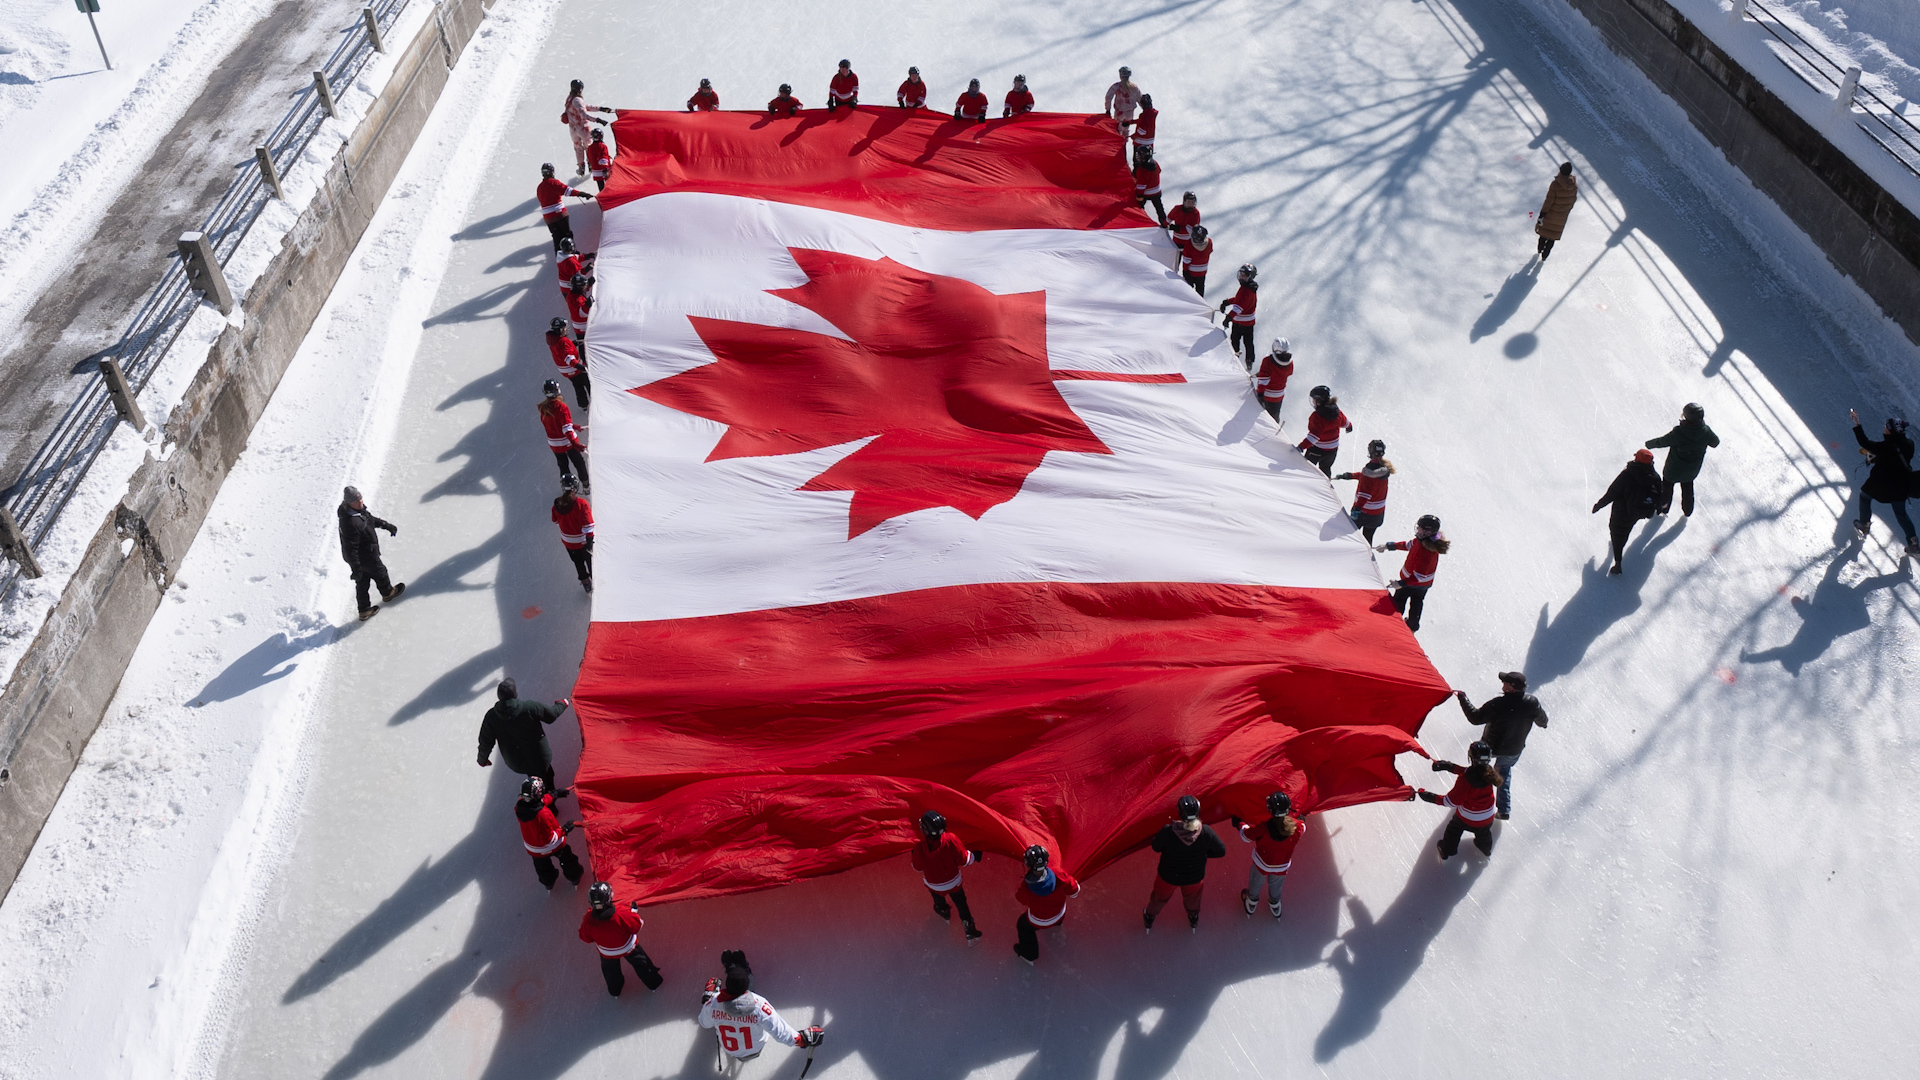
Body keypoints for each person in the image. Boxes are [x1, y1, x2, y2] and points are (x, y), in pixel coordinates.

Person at [1455, 672, 1548, 821]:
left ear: (1511, 687)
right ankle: (1504, 810)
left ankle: (1471, 797)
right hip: (1513, 750)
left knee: (1479, 769)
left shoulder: (1498, 704)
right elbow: (1543, 721)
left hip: (1490, 748)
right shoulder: (1532, 703)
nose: (1502, 683)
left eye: (1505, 682)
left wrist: (1463, 699)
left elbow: (1475, 718)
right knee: (1503, 772)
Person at [699, 950, 824, 1060]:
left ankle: (732, 969)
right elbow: (781, 1032)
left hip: (731, 1050)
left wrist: (709, 998)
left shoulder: (714, 1004)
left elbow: (704, 1023)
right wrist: (803, 1040)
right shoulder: (759, 1005)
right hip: (755, 1049)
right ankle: (745, 971)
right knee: (749, 991)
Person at [1142, 795, 1226, 933]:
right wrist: (1203, 854)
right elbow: (1221, 851)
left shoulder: (1168, 831)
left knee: (1159, 897)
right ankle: (1193, 917)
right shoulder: (1206, 832)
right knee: (1193, 899)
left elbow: (1156, 847)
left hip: (1168, 876)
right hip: (1194, 877)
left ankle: (1149, 916)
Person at [478, 678, 569, 790]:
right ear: (515, 693)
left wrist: (482, 759)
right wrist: (562, 704)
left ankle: (535, 788)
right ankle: (549, 796)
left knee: (532, 773)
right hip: (539, 757)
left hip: (517, 762)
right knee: (547, 777)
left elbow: (485, 741)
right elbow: (551, 715)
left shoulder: (491, 717)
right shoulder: (529, 708)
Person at [1416, 741, 1502, 858]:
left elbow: (1450, 801)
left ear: (1471, 757)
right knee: (1483, 832)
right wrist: (1448, 766)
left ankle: (1447, 850)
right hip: (1487, 818)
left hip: (1468, 818)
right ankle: (1485, 848)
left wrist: (1430, 797)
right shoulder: (1489, 773)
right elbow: (1469, 771)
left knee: (1454, 829)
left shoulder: (1466, 780)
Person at [909, 810, 983, 943]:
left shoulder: (919, 848)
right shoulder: (951, 839)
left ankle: (943, 910)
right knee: (961, 902)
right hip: (954, 882)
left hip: (933, 884)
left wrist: (914, 854)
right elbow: (963, 860)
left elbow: (917, 868)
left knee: (938, 897)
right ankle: (968, 926)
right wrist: (975, 856)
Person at [1849, 409, 1916, 553]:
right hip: (1901, 486)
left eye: (1887, 427)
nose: (1884, 428)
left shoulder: (1884, 447)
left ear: (1892, 431)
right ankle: (1914, 543)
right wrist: (1877, 457)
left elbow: (1864, 442)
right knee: (1901, 514)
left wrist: (1857, 424)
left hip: (1882, 485)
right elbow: (1893, 459)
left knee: (1864, 497)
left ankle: (1863, 524)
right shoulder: (1910, 444)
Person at [579, 881, 663, 996]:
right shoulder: (621, 913)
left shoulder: (588, 920)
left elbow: (586, 938)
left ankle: (615, 991)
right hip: (627, 947)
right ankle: (653, 983)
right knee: (642, 963)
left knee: (610, 972)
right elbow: (636, 926)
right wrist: (633, 912)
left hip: (607, 952)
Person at [337, 486, 403, 621]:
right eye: (356, 501)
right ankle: (388, 592)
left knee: (362, 583)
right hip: (366, 556)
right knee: (381, 573)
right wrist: (356, 568)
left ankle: (364, 610)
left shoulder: (357, 513)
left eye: (360, 498)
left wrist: (386, 525)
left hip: (363, 558)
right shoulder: (351, 522)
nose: (360, 502)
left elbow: (371, 520)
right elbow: (350, 548)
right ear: (348, 503)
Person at [1234, 791, 1304, 918]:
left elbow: (1246, 836)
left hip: (1261, 864)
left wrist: (1239, 824)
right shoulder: (1296, 827)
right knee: (1276, 885)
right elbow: (1303, 826)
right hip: (1281, 866)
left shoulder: (1263, 828)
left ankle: (1251, 902)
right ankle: (1275, 904)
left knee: (1256, 882)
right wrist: (1301, 818)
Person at [1592, 449, 1662, 574]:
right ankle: (1618, 545)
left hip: (1622, 511)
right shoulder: (1654, 477)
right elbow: (1659, 495)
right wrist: (1658, 508)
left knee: (1616, 531)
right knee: (1626, 529)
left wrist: (1599, 505)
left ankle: (1618, 563)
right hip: (1638, 512)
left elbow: (1613, 492)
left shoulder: (1627, 475)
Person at [1645, 402, 1720, 517]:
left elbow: (1662, 441)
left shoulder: (1679, 432)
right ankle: (1688, 511)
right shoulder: (1706, 431)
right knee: (1687, 488)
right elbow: (1715, 442)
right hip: (1692, 470)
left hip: (1673, 470)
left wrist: (1649, 444)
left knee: (1667, 488)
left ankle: (1664, 509)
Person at [1376, 514, 1448, 632]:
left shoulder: (1427, 553)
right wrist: (1389, 546)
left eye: (1420, 528)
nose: (1417, 529)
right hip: (1422, 584)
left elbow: (1420, 576)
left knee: (1399, 601)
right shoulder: (1423, 541)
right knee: (1417, 603)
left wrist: (1401, 584)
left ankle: (1394, 624)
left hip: (1412, 582)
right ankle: (1412, 626)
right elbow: (1407, 545)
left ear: (1427, 532)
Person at [1012, 844, 1078, 965]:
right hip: (1059, 914)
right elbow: (1074, 890)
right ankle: (1057, 924)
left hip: (1040, 921)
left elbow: (1021, 900)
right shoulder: (1059, 874)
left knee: (1022, 925)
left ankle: (1028, 955)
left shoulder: (1026, 886)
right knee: (1056, 913)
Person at [515, 776, 583, 890]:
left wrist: (554, 795)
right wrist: (565, 829)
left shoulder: (519, 806)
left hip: (533, 849)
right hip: (553, 845)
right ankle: (574, 876)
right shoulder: (543, 814)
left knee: (543, 868)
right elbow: (550, 839)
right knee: (567, 859)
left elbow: (537, 803)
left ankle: (548, 882)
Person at [1336, 439, 1393, 542]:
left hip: (1363, 513)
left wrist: (1356, 508)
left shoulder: (1369, 470)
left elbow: (1365, 494)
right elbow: (1366, 478)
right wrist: (1350, 476)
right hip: (1377, 514)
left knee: (1348, 538)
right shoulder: (1384, 469)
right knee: (1367, 540)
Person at [539, 380, 590, 489]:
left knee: (563, 465)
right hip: (567, 442)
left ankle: (567, 488)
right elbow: (566, 428)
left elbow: (555, 424)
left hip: (554, 444)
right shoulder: (561, 407)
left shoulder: (543, 408)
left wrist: (574, 426)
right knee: (578, 462)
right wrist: (575, 443)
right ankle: (586, 485)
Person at [536, 163, 594, 251]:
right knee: (567, 235)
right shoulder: (554, 183)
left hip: (548, 218)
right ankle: (572, 254)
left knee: (556, 237)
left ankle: (559, 257)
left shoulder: (539, 187)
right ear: (552, 172)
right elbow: (568, 191)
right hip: (559, 214)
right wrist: (583, 194)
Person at [562, 79, 615, 176]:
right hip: (583, 128)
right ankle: (591, 164)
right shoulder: (577, 100)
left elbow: (584, 107)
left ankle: (581, 168)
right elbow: (584, 114)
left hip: (573, 130)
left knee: (578, 148)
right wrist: (598, 120)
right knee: (589, 147)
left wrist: (600, 109)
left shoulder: (569, 99)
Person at [1297, 385, 1351, 476]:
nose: (1313, 402)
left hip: (1318, 450)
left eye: (1314, 400)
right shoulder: (1336, 411)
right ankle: (1326, 483)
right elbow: (1345, 422)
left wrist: (1300, 447)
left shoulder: (1317, 417)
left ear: (1319, 401)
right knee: (1325, 469)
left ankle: (1303, 482)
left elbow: (1314, 437)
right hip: (1332, 451)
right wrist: (1349, 426)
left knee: (1306, 469)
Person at [553, 476, 595, 593]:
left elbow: (555, 520)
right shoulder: (582, 504)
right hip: (583, 541)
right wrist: (590, 541)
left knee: (578, 562)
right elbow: (588, 525)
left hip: (568, 542)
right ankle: (595, 581)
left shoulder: (557, 505)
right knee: (590, 562)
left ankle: (586, 583)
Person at [1534, 162, 1577, 261]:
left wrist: (1542, 214)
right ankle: (1545, 255)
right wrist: (1565, 210)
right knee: (1552, 236)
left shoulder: (1556, 184)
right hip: (1562, 216)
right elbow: (1573, 200)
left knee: (1544, 233)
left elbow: (1549, 201)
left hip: (1550, 214)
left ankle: (1540, 249)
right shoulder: (1574, 185)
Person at [546, 317, 590, 409]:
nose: (566, 329)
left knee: (578, 386)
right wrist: (581, 367)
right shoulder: (563, 341)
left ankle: (584, 405)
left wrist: (573, 344)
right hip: (575, 369)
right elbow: (568, 358)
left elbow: (561, 349)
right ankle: (596, 401)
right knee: (588, 383)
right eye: (565, 327)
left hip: (566, 372)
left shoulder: (553, 340)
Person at [1219, 264, 1257, 368]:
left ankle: (1237, 360)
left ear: (1250, 277)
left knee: (1237, 341)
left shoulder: (1247, 290)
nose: (1241, 277)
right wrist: (1227, 302)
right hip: (1248, 323)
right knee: (1248, 343)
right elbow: (1239, 299)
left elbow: (1238, 307)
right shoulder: (1248, 287)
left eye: (1244, 276)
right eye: (1241, 275)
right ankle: (1249, 361)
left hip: (1240, 323)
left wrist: (1228, 318)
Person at [1252, 338, 1292, 423]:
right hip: (1279, 395)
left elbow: (1263, 381)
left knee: (1262, 417)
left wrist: (1260, 394)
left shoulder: (1268, 361)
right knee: (1274, 415)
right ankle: (1275, 427)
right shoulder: (1290, 363)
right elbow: (1288, 373)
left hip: (1267, 395)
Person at [1104, 66, 1142, 143]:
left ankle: (1118, 146)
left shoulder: (1116, 86)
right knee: (1126, 129)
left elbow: (1108, 97)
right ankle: (1124, 144)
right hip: (1129, 113)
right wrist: (1145, 110)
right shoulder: (1134, 87)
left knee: (1117, 130)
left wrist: (1108, 109)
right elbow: (1140, 99)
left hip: (1119, 112)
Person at [1132, 149, 1166, 227]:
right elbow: (1159, 171)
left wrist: (1139, 195)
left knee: (1139, 206)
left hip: (1146, 193)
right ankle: (1164, 222)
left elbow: (1141, 184)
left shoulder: (1141, 169)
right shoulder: (1155, 163)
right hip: (1157, 191)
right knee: (1159, 208)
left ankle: (1140, 220)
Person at [1178, 224, 1211, 295]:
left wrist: (1185, 271)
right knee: (1200, 288)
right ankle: (1200, 301)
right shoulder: (1209, 242)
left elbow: (1186, 260)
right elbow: (1210, 251)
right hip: (1202, 271)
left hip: (1191, 272)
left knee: (1188, 291)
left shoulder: (1189, 244)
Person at [564, 272, 594, 342]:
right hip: (583, 327)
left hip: (579, 326)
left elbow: (581, 292)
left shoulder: (572, 294)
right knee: (585, 344)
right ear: (579, 287)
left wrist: (589, 284)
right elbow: (582, 313)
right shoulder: (577, 299)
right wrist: (587, 305)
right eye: (584, 285)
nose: (585, 286)